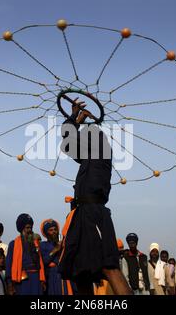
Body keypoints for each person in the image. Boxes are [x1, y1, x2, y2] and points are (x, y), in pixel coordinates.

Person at [58, 101, 131, 295]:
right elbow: (68, 146)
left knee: (109, 267)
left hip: (93, 213)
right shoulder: (93, 155)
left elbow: (67, 143)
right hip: (82, 214)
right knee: (80, 272)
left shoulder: (99, 150)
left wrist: (75, 119)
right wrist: (76, 121)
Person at [5, 213, 46, 295]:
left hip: (36, 279)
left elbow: (40, 263)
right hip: (21, 281)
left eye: (31, 227)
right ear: (21, 228)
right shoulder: (13, 244)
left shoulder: (36, 244)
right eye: (27, 228)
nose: (29, 230)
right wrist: (10, 284)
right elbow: (9, 265)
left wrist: (42, 280)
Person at [40, 219, 74, 295]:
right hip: (51, 276)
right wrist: (55, 250)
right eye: (50, 230)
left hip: (64, 275)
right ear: (46, 233)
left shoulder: (63, 244)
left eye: (55, 229)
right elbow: (44, 261)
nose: (54, 231)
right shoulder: (43, 245)